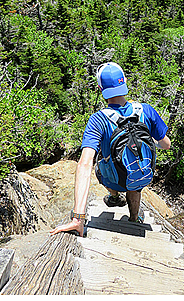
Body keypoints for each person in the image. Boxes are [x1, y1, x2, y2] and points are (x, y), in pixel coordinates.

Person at [51, 62, 171, 237]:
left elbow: (85, 164)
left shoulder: (98, 120)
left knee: (101, 165)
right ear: (125, 82)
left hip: (114, 180)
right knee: (134, 167)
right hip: (143, 177)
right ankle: (134, 217)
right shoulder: (146, 110)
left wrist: (78, 219)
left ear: (100, 88)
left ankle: (114, 196)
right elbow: (166, 144)